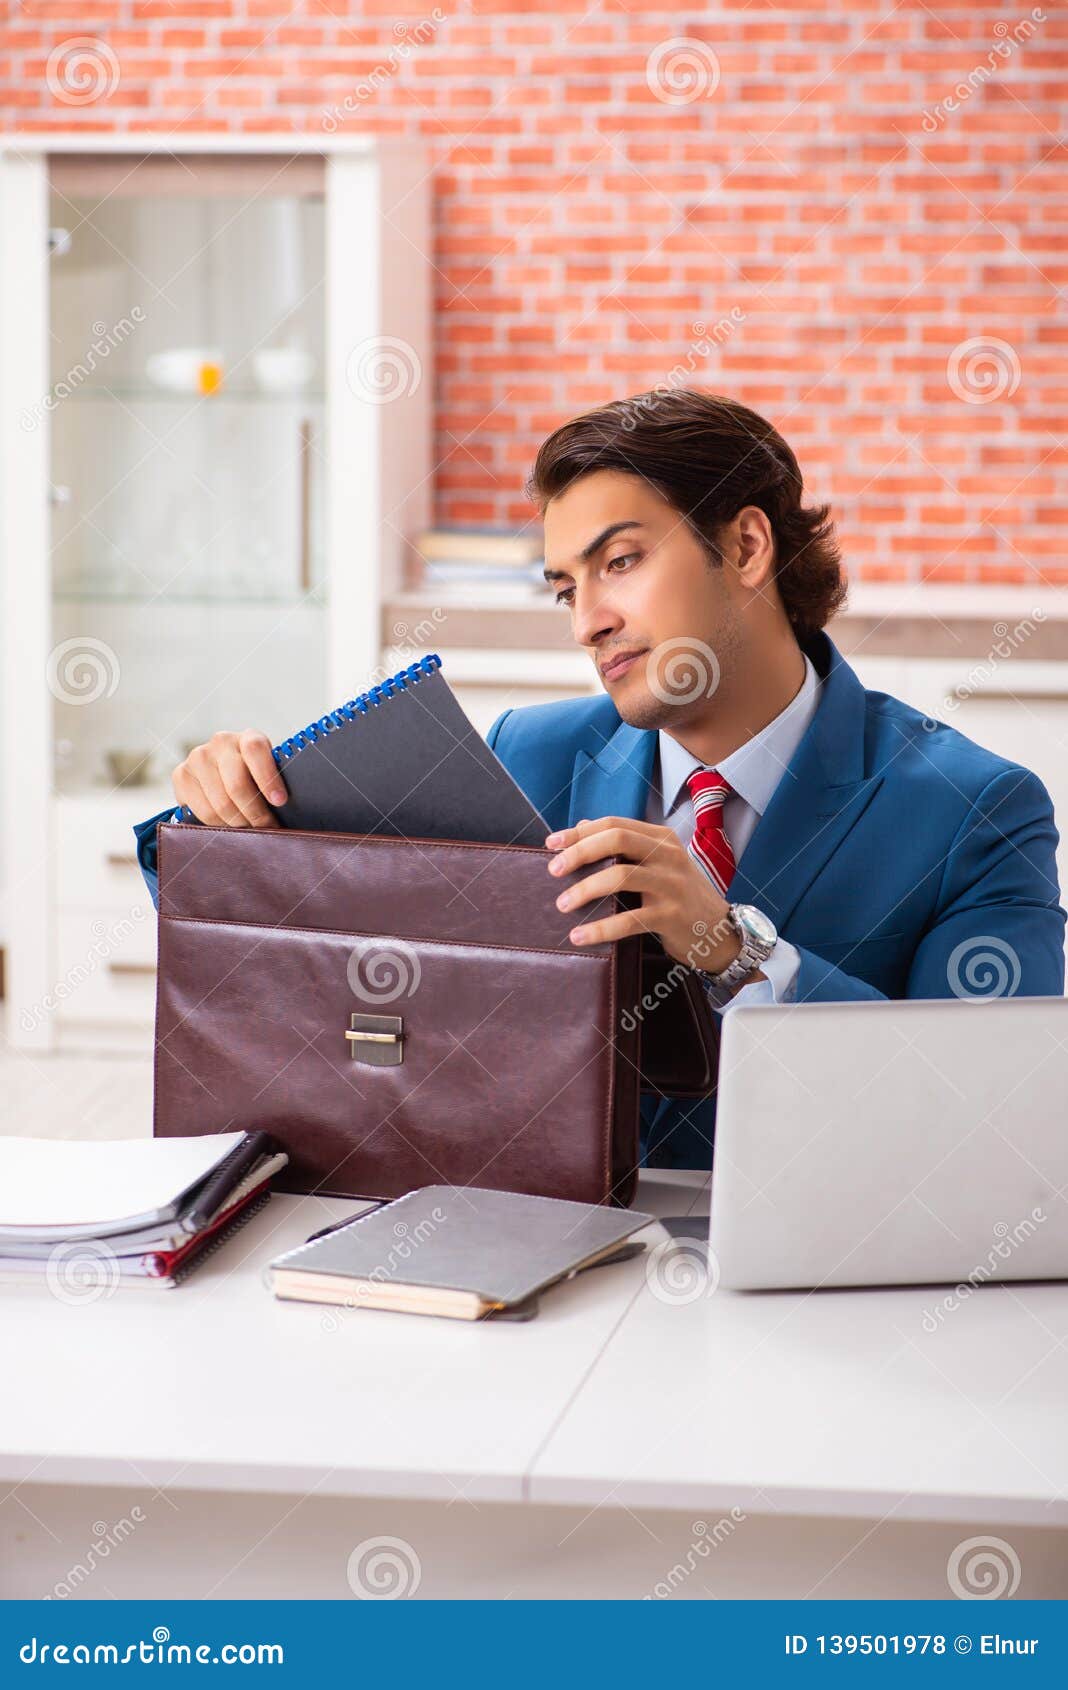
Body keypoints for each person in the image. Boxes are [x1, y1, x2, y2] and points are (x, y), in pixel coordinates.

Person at [134, 389, 1065, 1168]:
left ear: (745, 549)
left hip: (821, 1296)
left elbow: (996, 1124)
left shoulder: (976, 810)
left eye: (620, 562)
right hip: (543, 1267)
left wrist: (736, 951)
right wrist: (228, 817)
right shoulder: (526, 758)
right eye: (567, 589)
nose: (589, 623)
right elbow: (319, 933)